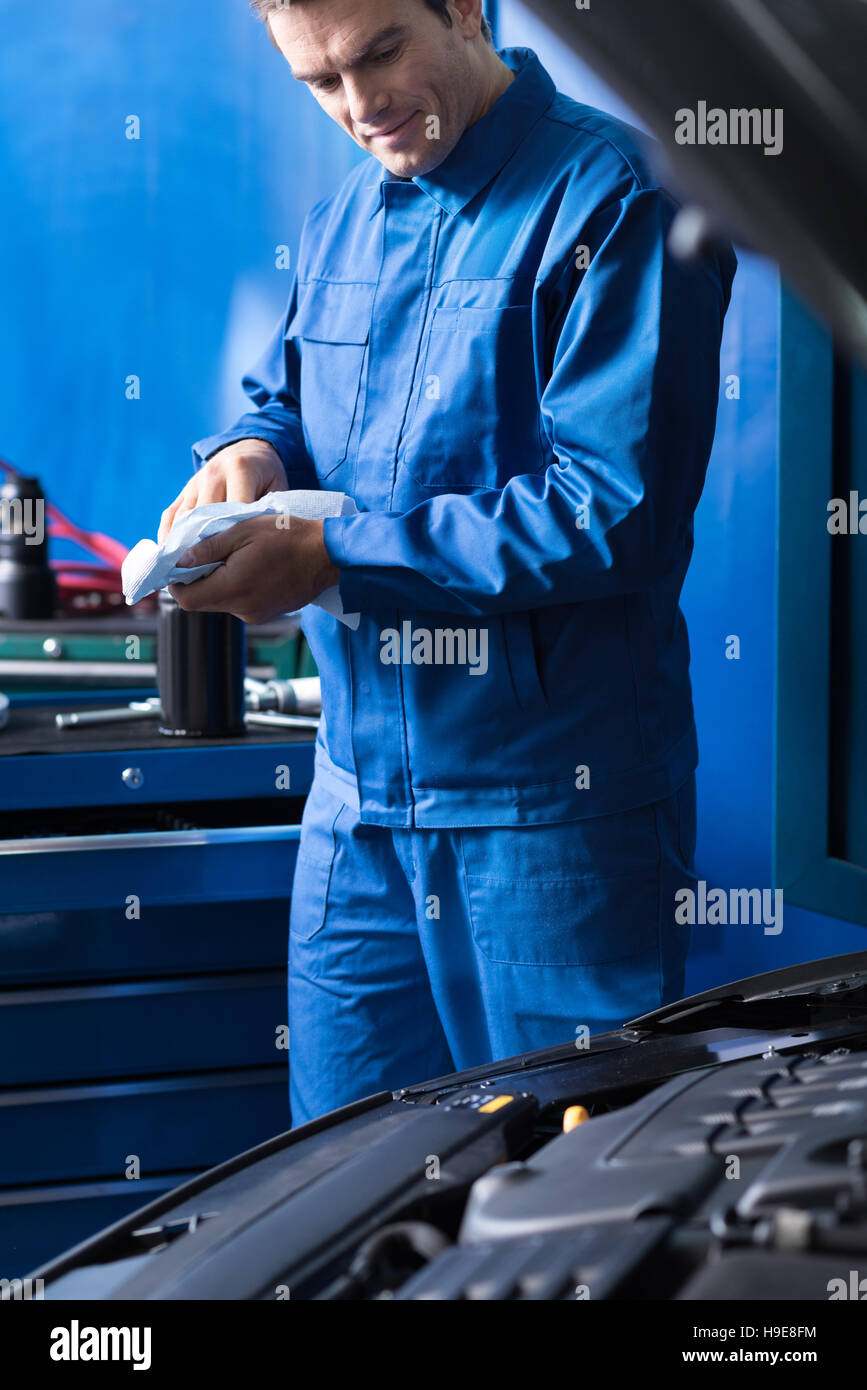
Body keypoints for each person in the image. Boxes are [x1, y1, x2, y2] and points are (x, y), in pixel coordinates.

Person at [163, 0, 737, 1125]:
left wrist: (332, 553)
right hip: (356, 810)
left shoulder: (617, 201)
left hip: (552, 822)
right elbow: (290, 405)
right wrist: (249, 452)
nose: (361, 105)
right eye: (320, 83)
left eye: (382, 52)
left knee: (569, 1209)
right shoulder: (344, 220)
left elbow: (609, 510)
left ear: (466, 10)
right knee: (337, 1192)